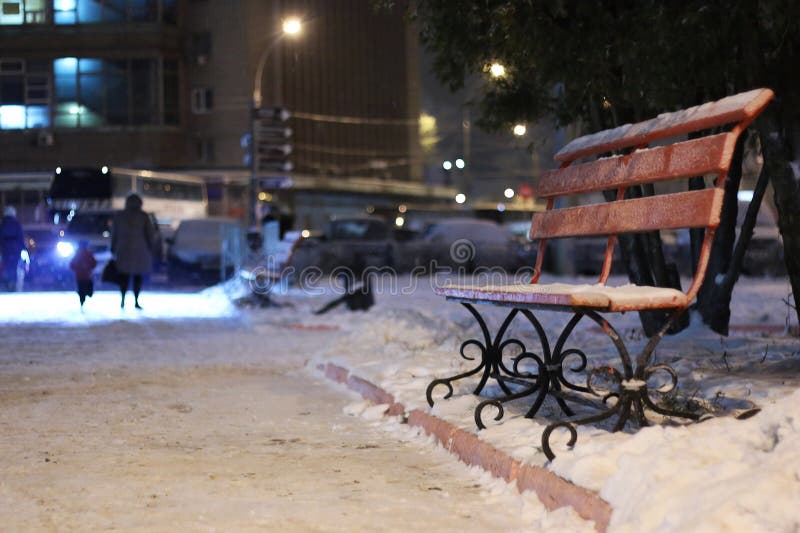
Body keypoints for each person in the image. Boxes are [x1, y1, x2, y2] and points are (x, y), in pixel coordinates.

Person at [112, 193, 156, 309]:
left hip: (123, 250)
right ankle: (136, 301)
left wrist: (113, 247)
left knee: (124, 277)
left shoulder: (119, 216)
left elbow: (114, 234)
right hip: (140, 250)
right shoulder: (143, 216)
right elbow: (150, 234)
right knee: (137, 277)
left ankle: (123, 300)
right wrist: (151, 247)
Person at [1, 206, 26, 292]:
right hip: (15, 250)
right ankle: (13, 284)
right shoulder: (16, 224)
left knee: (7, 267)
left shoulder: (2, 224)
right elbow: (21, 237)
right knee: (14, 267)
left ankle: (8, 283)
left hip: (5, 250)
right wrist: (23, 248)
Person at [69, 240, 97, 308]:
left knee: (83, 291)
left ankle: (82, 300)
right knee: (86, 291)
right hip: (86, 277)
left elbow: (71, 265)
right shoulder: (86, 254)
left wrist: (79, 268)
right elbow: (94, 263)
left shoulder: (79, 255)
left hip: (82, 277)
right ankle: (82, 300)